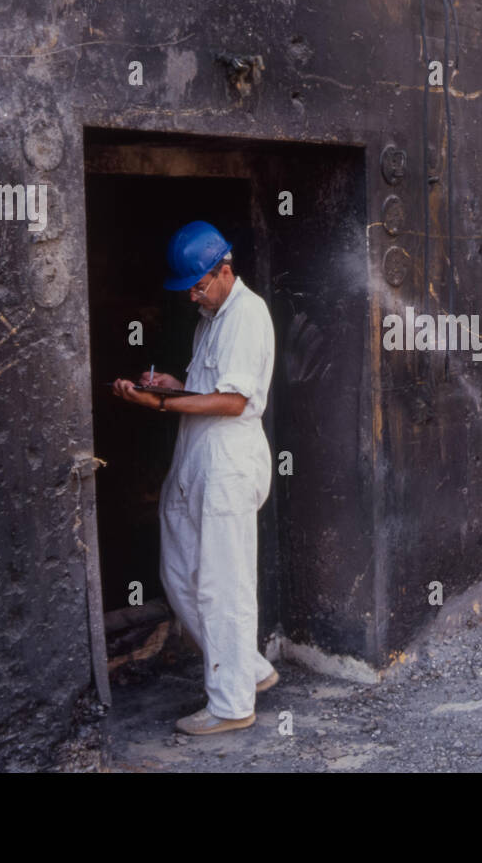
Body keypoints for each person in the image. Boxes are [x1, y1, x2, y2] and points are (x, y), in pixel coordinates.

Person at [112, 220, 277, 735]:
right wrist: (176, 385)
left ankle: (231, 705)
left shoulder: (248, 314)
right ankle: (249, 669)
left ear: (224, 271)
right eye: (188, 288)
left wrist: (159, 402)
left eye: (199, 286)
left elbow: (234, 401)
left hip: (228, 460)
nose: (192, 296)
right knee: (179, 574)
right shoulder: (213, 315)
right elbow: (211, 387)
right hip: (196, 452)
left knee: (223, 586)